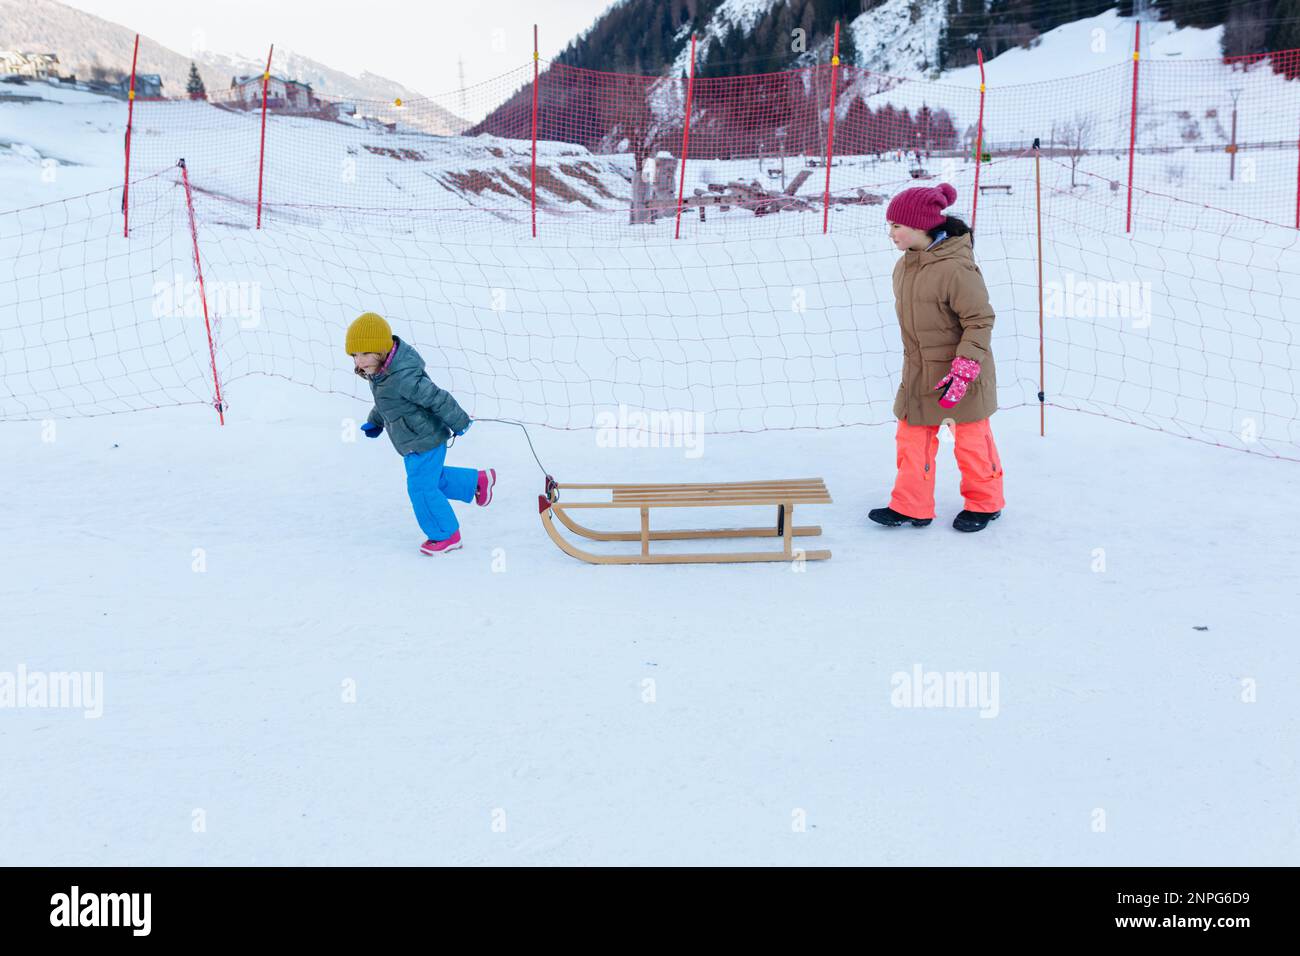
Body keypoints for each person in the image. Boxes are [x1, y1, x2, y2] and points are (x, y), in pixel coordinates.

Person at [870, 182, 1005, 533]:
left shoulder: (956, 269)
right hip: (919, 372)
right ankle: (911, 505)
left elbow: (979, 320)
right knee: (911, 439)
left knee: (972, 443)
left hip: (963, 373)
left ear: (920, 226)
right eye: (890, 225)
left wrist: (965, 368)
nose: (891, 233)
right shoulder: (905, 267)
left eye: (897, 225)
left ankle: (985, 503)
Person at [346, 312, 496, 554]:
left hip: (425, 439)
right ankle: (477, 482)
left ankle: (446, 534)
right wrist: (376, 421)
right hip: (412, 439)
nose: (359, 361)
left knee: (421, 488)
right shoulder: (381, 374)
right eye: (354, 355)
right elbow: (387, 403)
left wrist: (459, 421)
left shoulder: (402, 377)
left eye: (365, 353)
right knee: (434, 480)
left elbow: (436, 397)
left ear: (381, 349)